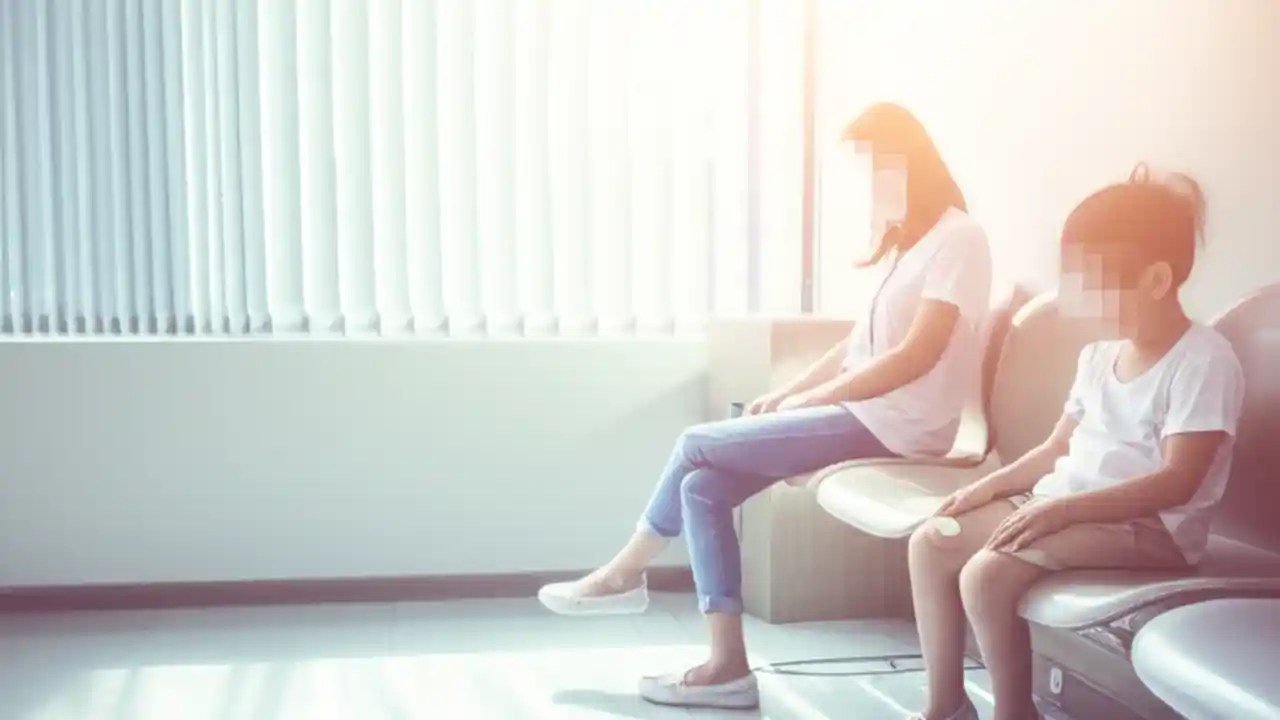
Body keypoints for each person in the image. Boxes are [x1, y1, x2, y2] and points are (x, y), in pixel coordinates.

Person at [536, 102, 993, 710]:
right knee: (702, 486)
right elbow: (856, 347)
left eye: (876, 167)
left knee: (695, 442)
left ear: (910, 163)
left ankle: (624, 572)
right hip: (868, 417)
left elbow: (916, 356)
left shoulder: (960, 238)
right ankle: (727, 666)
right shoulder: (908, 246)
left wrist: (809, 399)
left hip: (901, 427)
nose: (867, 185)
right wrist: (787, 394)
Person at [906, 166, 1245, 720]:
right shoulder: (1097, 356)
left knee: (986, 575)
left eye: (1093, 281)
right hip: (1067, 508)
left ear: (1156, 281)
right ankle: (944, 707)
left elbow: (1177, 480)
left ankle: (1014, 714)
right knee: (932, 541)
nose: (1077, 297)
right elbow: (1055, 450)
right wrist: (982, 489)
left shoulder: (1203, 360)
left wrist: (1063, 511)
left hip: (1152, 531)